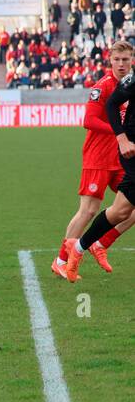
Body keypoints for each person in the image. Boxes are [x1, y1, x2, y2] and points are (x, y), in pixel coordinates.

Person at [53, 41, 133, 279]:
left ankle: (101, 243)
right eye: (117, 60)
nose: (121, 64)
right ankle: (61, 260)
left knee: (130, 208)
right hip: (98, 157)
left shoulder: (131, 85)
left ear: (132, 60)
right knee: (88, 211)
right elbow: (88, 120)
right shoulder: (104, 86)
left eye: (126, 59)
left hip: (121, 160)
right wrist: (119, 132)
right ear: (110, 61)